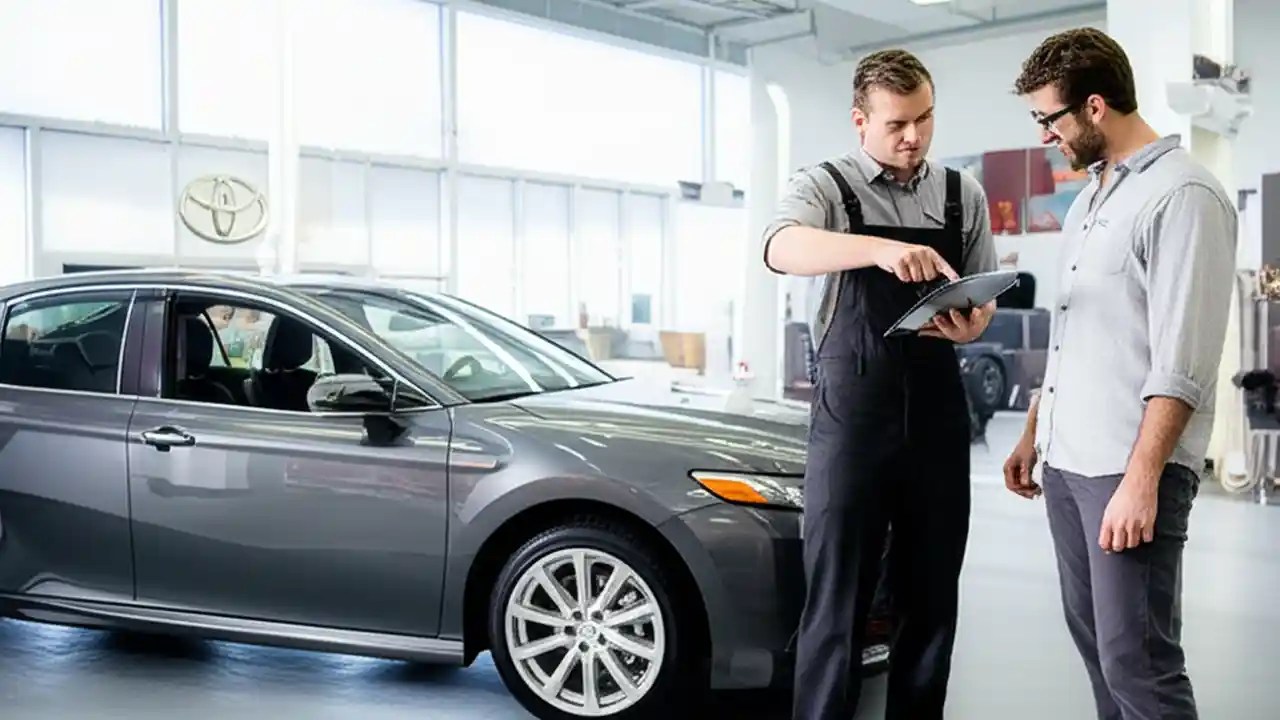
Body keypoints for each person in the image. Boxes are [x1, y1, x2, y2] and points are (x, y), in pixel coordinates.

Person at [1003, 28, 1238, 720]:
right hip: (1068, 464)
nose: (1046, 134)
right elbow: (1076, 333)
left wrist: (1143, 482)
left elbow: (1183, 361)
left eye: (1049, 118)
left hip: (1129, 468)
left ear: (1095, 106)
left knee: (1140, 666)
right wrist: (1032, 431)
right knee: (1101, 657)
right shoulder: (1090, 199)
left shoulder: (1183, 195)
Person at [761, 48, 998, 719]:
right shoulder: (827, 187)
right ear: (860, 121)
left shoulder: (962, 194)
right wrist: (880, 249)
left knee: (930, 602)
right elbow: (780, 246)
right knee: (837, 600)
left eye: (924, 119)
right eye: (897, 123)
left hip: (937, 419)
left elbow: (983, 301)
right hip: (852, 421)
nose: (913, 136)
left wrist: (972, 323)